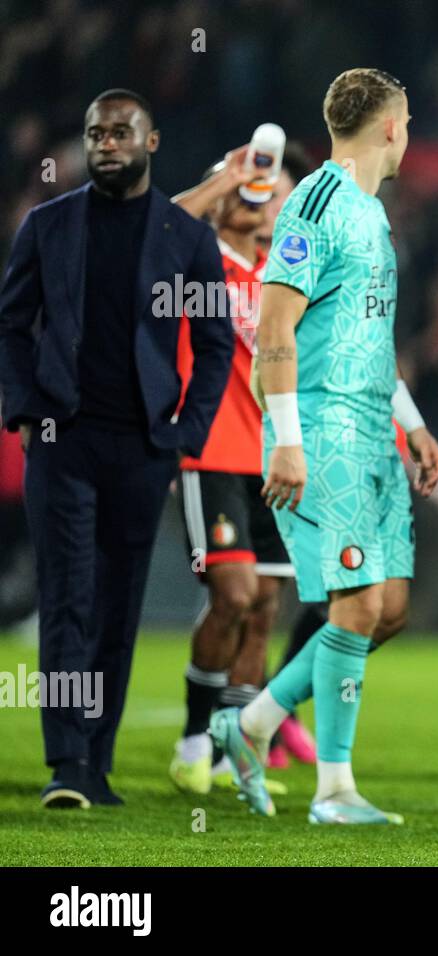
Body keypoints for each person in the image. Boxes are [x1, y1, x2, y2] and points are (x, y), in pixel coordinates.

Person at [209, 68, 438, 824]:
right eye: (405, 123)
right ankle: (334, 791)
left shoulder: (372, 213)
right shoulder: (314, 202)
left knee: (390, 609)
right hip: (322, 426)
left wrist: (410, 422)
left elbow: (364, 337)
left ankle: (246, 725)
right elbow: (275, 329)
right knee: (356, 605)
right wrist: (284, 438)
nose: (407, 135)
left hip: (375, 428)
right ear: (387, 127)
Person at [0, 89, 233, 808]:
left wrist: (183, 436)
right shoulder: (47, 225)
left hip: (142, 447)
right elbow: (11, 325)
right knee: (67, 596)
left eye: (121, 132)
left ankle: (93, 762)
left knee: (118, 605)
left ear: (150, 143)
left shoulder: (185, 237)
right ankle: (66, 761)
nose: (107, 143)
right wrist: (27, 409)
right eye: (97, 133)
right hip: (62, 444)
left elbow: (217, 344)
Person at [166, 145, 316, 797]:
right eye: (248, 191)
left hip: (276, 457)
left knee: (262, 607)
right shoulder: (196, 264)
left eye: (271, 192)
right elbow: (155, 228)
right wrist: (224, 176)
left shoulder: (282, 279)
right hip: (212, 454)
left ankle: (230, 748)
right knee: (230, 594)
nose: (261, 200)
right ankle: (194, 738)